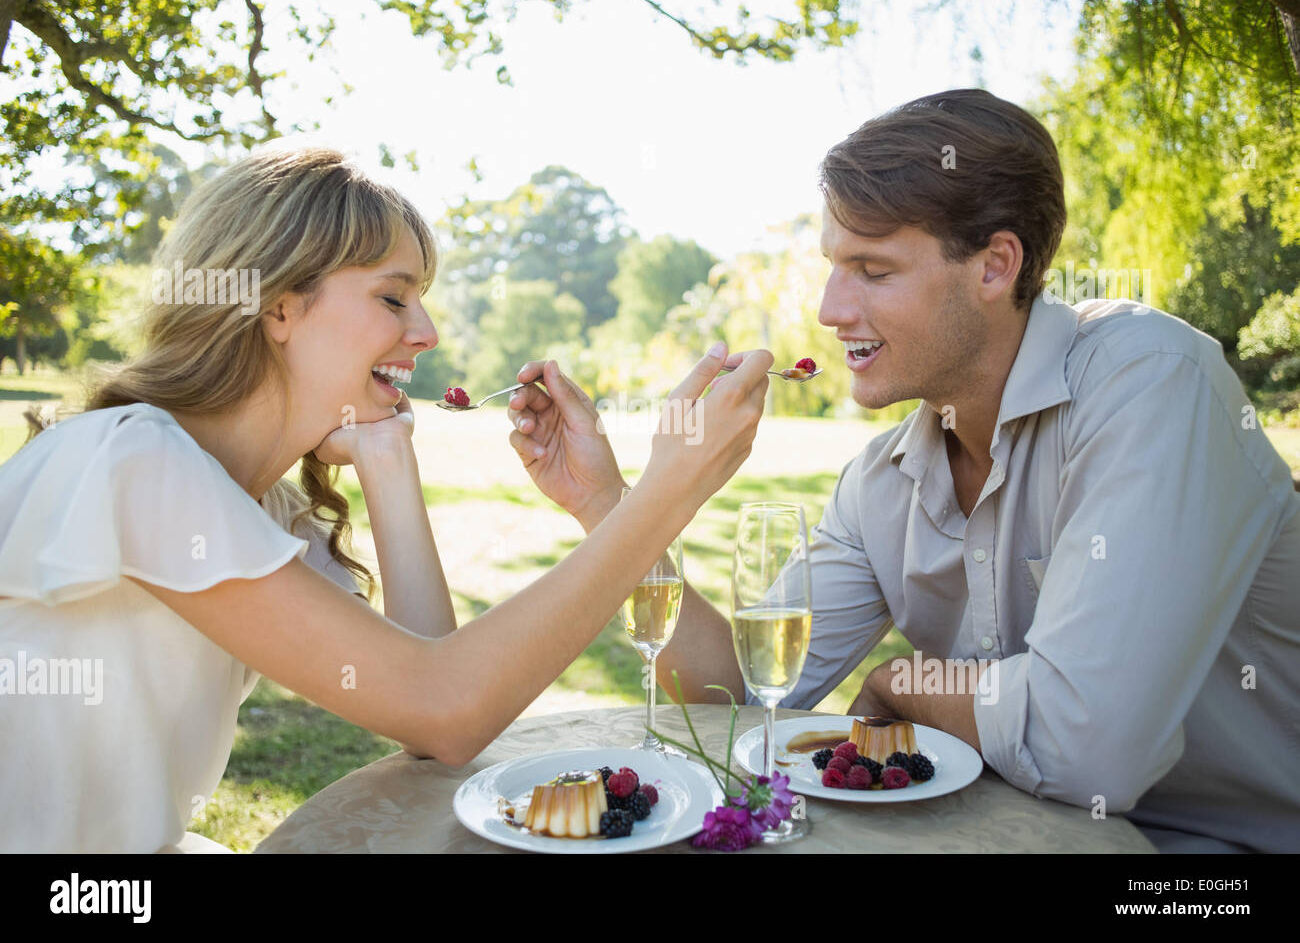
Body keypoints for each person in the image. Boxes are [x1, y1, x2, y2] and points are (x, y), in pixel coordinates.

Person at [507, 89, 1300, 853]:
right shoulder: (881, 480)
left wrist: (903, 685)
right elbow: (735, 694)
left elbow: (1084, 745)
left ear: (994, 267)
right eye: (832, 265)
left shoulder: (1152, 383)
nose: (829, 308)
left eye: (873, 270)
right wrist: (613, 503)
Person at [0, 145, 772, 853]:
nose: (427, 331)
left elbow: (432, 716)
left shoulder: (255, 502)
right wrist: (666, 494)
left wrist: (386, 455)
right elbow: (444, 706)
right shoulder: (135, 461)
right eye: (394, 298)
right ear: (277, 307)